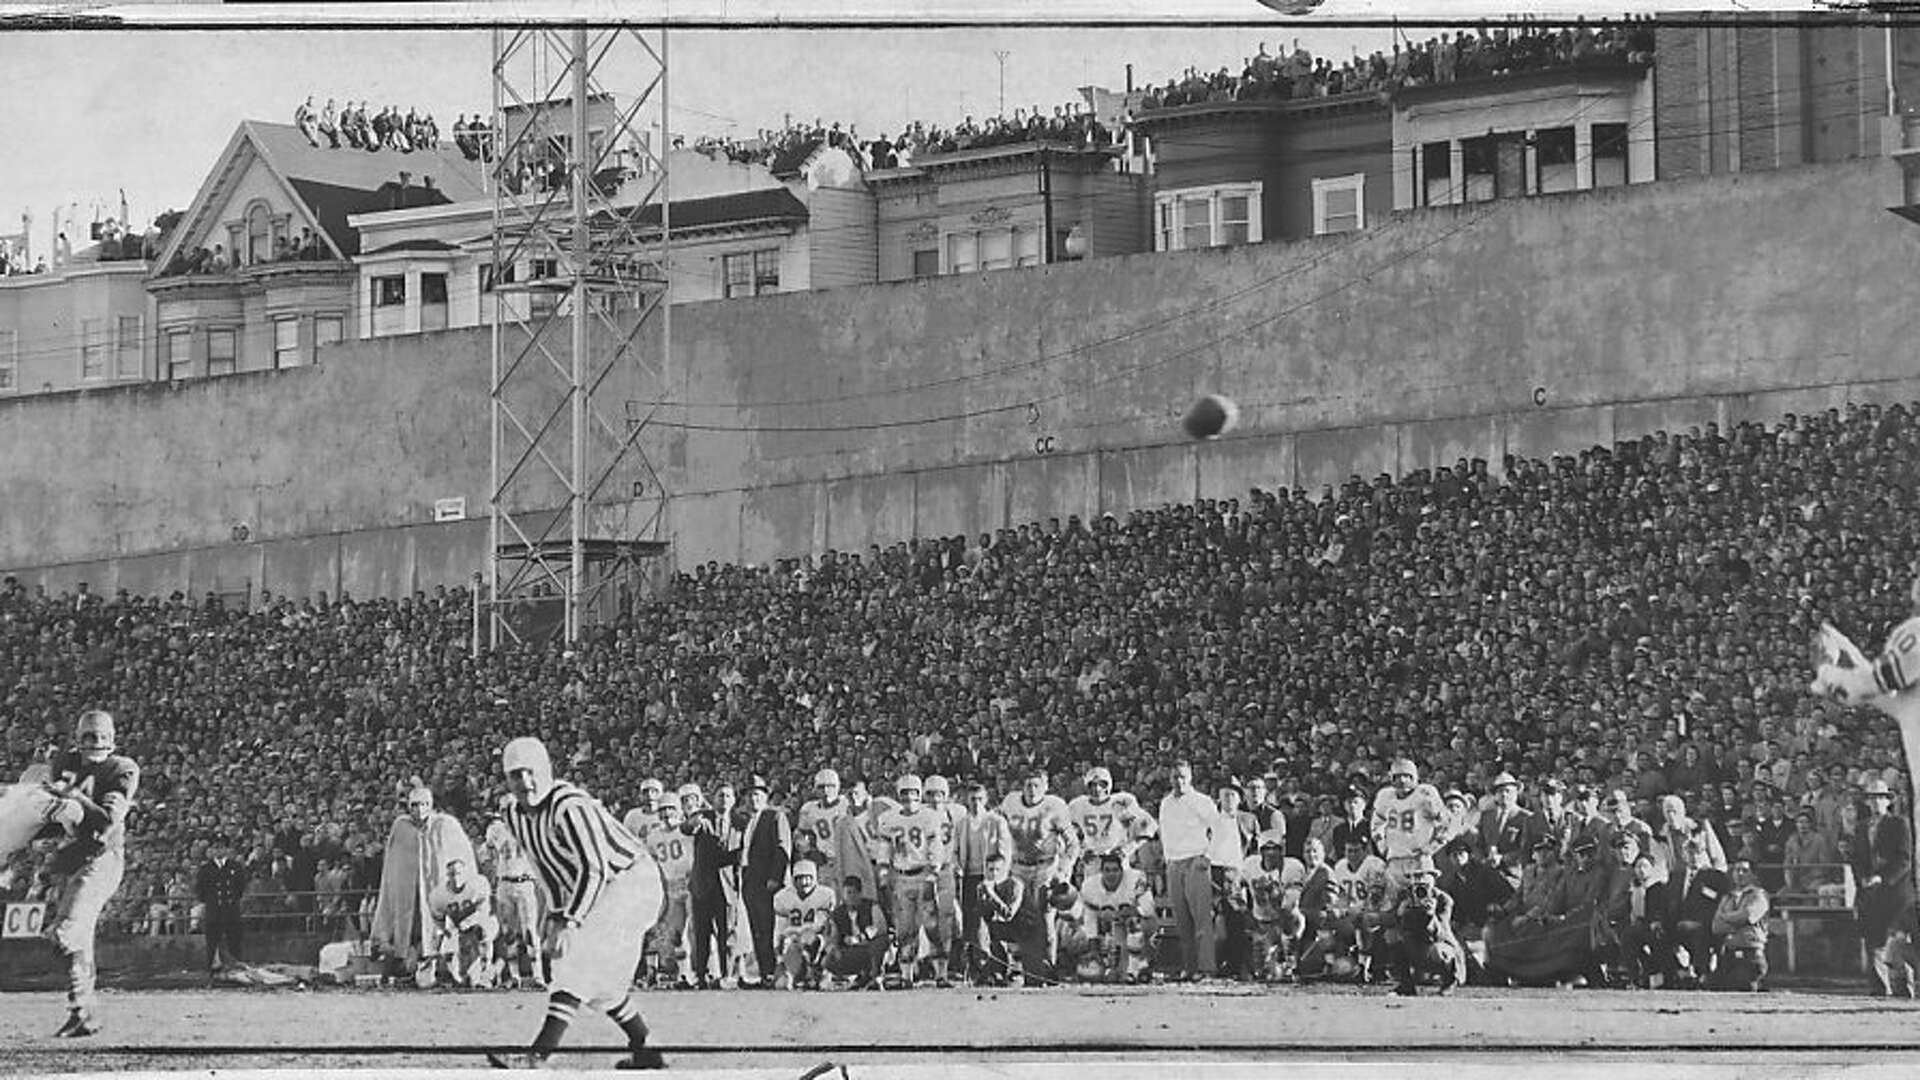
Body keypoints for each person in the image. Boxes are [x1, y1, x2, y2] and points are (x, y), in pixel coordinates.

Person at [486, 736, 665, 1071]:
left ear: (545, 770)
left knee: (580, 962)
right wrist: (555, 914)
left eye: (530, 772)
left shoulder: (569, 805)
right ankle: (646, 1046)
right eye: (515, 775)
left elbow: (594, 868)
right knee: (600, 976)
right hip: (599, 887)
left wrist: (570, 920)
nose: (525, 782)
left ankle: (538, 1054)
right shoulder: (512, 812)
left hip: (631, 880)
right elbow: (544, 867)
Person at [39, 710, 139, 1037]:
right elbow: (55, 820)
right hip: (72, 858)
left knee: (66, 932)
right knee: (76, 936)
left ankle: (84, 1008)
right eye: (88, 737)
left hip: (103, 857)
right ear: (77, 739)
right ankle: (82, 1010)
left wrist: (74, 797)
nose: (95, 743)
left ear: (112, 739)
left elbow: (106, 822)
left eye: (101, 737)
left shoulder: (122, 769)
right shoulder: (65, 762)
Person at [371, 785, 475, 980]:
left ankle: (449, 969)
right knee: (412, 927)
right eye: (415, 805)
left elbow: (461, 855)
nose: (419, 809)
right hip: (410, 891)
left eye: (424, 804)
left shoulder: (445, 824)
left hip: (439, 888)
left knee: (444, 925)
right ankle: (415, 967)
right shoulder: (401, 826)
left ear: (431, 805)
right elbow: (393, 865)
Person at [1159, 760, 1220, 982]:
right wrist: (1168, 859)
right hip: (1174, 863)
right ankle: (1190, 966)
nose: (1179, 781)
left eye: (1183, 776)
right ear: (1169, 778)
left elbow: (1219, 829)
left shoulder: (1202, 801)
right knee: (1182, 920)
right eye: (1175, 776)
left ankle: (1206, 968)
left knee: (1201, 919)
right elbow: (1165, 833)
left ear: (1191, 777)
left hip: (1196, 861)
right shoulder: (1165, 803)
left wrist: (1207, 856)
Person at [953, 780, 1014, 983]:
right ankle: (977, 969)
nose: (976, 803)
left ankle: (1001, 969)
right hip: (970, 877)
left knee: (994, 923)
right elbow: (955, 851)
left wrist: (998, 877)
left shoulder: (996, 821)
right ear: (966, 801)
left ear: (986, 800)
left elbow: (1005, 852)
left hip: (991, 877)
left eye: (980, 799)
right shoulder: (962, 823)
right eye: (972, 799)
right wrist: (957, 867)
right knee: (972, 923)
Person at [1860, 778, 1916, 996]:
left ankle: (1903, 988)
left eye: (1880, 798)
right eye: (1871, 798)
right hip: (1870, 892)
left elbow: (1904, 859)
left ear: (1888, 800)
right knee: (1873, 941)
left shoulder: (1899, 824)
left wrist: (1883, 878)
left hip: (1896, 893)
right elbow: (1858, 857)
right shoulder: (1862, 827)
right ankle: (1879, 989)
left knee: (1895, 941)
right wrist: (1864, 878)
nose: (1876, 803)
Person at [680, 782, 737, 988]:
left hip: (727, 885)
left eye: (728, 796)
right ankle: (701, 975)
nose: (724, 799)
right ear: (713, 799)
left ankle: (726, 974)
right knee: (701, 933)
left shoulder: (740, 822)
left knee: (727, 932)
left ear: (734, 800)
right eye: (720, 795)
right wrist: (694, 821)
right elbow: (686, 828)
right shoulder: (703, 817)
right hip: (703, 884)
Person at [1372, 758, 1453, 901]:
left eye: (1407, 776)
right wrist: (1382, 847)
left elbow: (1447, 824)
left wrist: (1431, 847)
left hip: (1418, 861)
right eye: (1398, 776)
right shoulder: (1385, 796)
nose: (1402, 781)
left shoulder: (1425, 794)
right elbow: (1376, 825)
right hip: (1395, 860)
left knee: (1421, 906)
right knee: (1393, 908)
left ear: (1415, 777)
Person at [738, 774, 792, 988]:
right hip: (749, 880)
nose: (753, 799)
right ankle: (763, 973)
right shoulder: (745, 821)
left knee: (770, 928)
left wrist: (775, 877)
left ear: (765, 796)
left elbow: (782, 848)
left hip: (767, 881)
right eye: (750, 795)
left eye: (757, 794)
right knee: (757, 929)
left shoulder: (774, 817)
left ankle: (773, 973)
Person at [1072, 851, 1157, 984]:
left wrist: (1132, 911)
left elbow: (1148, 908)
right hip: (1108, 928)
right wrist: (1093, 947)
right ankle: (1112, 967)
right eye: (1107, 870)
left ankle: (1136, 968)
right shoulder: (1090, 886)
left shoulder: (1136, 879)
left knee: (1133, 924)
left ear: (1122, 871)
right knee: (1079, 937)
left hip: (1137, 924)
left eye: (1115, 870)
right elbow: (1090, 918)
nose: (1111, 874)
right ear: (1101, 872)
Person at [481, 814, 543, 987]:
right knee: (509, 932)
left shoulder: (529, 826)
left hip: (524, 882)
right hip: (505, 883)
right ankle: (514, 976)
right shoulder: (497, 829)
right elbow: (490, 848)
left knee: (530, 930)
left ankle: (537, 975)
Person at [1388, 856, 1464, 996]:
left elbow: (1441, 933)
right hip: (1416, 946)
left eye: (1424, 876)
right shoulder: (1404, 896)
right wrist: (1399, 914)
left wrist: (1430, 915)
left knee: (1438, 951)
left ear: (1433, 879)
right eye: (1416, 876)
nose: (1420, 881)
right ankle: (1406, 984)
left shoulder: (1443, 900)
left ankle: (1449, 982)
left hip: (1438, 946)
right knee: (1391, 936)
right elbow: (1393, 923)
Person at [643, 799, 693, 988]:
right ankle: (682, 974)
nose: (667, 815)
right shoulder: (654, 836)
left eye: (671, 810)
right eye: (663, 810)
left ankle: (702, 972)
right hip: (670, 887)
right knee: (674, 933)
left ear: (679, 812)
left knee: (695, 931)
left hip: (690, 884)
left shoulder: (686, 831)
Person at [428, 855, 498, 988]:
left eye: (459, 873)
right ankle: (443, 973)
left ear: (466, 874)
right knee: (443, 941)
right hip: (457, 926)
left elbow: (484, 913)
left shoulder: (478, 885)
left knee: (483, 931)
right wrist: (437, 948)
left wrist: (466, 926)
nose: (456, 878)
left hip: (480, 922)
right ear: (447, 876)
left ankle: (485, 973)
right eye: (452, 874)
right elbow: (439, 925)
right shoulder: (438, 895)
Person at [771, 859, 836, 989]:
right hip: (793, 942)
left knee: (810, 938)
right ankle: (795, 974)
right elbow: (780, 930)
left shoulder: (825, 895)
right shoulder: (783, 897)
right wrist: (779, 956)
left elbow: (826, 927)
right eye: (799, 878)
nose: (804, 883)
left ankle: (820, 972)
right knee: (781, 985)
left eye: (808, 878)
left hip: (817, 942)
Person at [1708, 859, 1770, 991]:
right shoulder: (1728, 897)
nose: (1740, 873)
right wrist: (1736, 922)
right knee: (1712, 986)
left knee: (1742, 987)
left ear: (1753, 875)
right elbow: (1716, 926)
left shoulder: (1759, 896)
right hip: (1729, 955)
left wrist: (1725, 917)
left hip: (1750, 955)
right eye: (1737, 870)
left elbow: (1746, 916)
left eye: (1745, 870)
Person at [826, 874, 889, 989]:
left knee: (881, 942)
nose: (850, 897)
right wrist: (834, 947)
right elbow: (834, 937)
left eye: (852, 892)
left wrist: (861, 938)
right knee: (829, 959)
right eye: (847, 893)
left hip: (869, 947)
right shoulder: (837, 913)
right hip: (849, 950)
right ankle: (849, 978)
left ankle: (874, 977)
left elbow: (880, 927)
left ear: (860, 893)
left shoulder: (872, 906)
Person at [197, 841, 248, 980]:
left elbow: (240, 887)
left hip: (231, 910)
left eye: (221, 847)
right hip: (214, 911)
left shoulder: (234, 866)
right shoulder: (206, 869)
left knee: (234, 941)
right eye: (215, 848)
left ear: (226, 849)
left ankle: (237, 970)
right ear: (211, 850)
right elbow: (201, 891)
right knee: (212, 942)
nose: (218, 851)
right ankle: (212, 972)